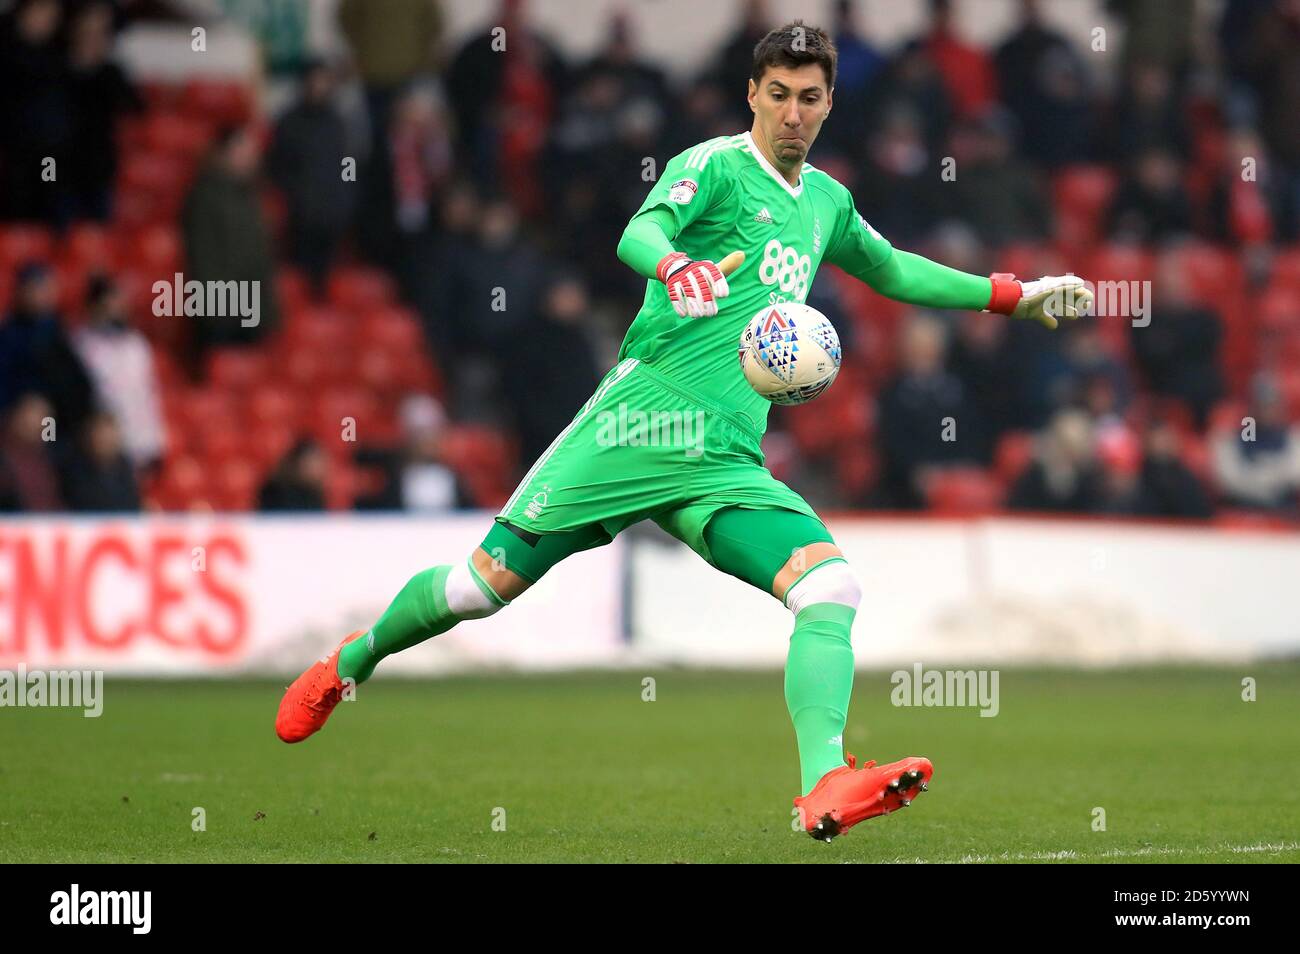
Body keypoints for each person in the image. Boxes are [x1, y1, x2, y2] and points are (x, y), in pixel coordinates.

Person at [276, 21, 1093, 843]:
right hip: (637, 424)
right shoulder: (713, 166)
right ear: (753, 94)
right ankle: (348, 663)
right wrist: (677, 266)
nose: (793, 113)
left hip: (724, 459)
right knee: (476, 590)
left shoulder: (826, 203)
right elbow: (639, 232)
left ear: (830, 103)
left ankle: (825, 784)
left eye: (810, 98)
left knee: (830, 588)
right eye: (778, 95)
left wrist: (1012, 294)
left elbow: (893, 268)